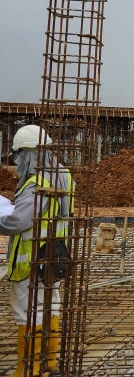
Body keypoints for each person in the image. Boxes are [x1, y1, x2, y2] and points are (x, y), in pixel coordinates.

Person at [0, 125, 73, 375]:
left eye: (19, 155)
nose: (16, 161)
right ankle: (49, 362)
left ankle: (27, 368)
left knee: (26, 310)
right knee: (50, 304)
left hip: (29, 258)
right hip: (54, 254)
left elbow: (19, 221)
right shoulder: (64, 174)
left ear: (28, 154)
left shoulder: (37, 182)